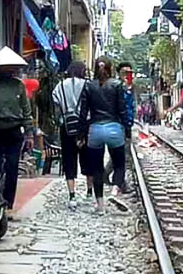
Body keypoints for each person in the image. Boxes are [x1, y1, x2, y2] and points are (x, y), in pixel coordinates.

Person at [0, 47, 35, 213]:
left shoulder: (18, 86)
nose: (9, 70)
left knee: (12, 168)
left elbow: (26, 111)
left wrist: (29, 133)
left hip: (14, 131)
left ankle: (9, 205)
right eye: (6, 67)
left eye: (11, 67)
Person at [81, 56, 129, 214]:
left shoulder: (88, 86)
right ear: (110, 68)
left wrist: (81, 134)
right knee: (119, 163)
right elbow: (122, 110)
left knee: (97, 169)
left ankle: (100, 206)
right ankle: (115, 191)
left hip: (95, 130)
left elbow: (83, 113)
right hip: (114, 128)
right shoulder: (117, 85)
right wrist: (127, 129)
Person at [51, 59, 90, 209]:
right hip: (84, 126)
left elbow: (56, 106)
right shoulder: (87, 85)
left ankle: (72, 195)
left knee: (69, 159)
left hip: (66, 127)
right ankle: (89, 192)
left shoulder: (59, 86)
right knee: (87, 159)